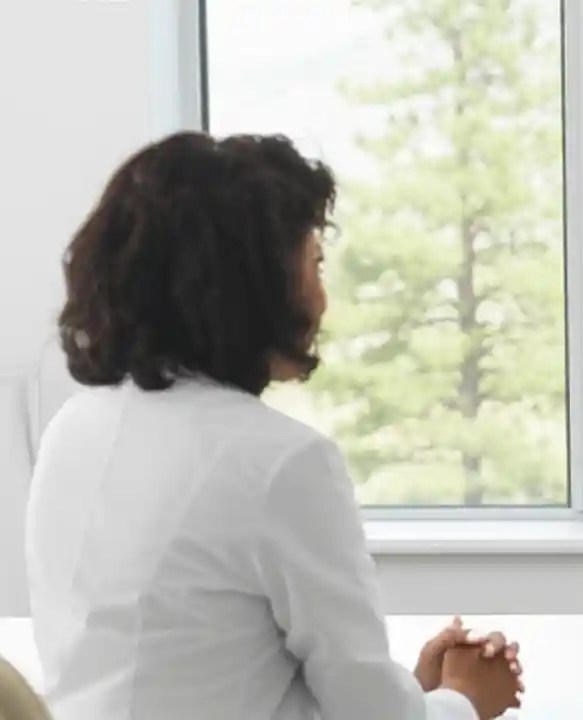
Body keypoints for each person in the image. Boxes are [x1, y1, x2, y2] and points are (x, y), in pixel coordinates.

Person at [25, 132, 522, 719]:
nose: (322, 298)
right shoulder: (281, 462)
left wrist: (410, 691)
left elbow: (191, 667)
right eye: (313, 264)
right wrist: (465, 699)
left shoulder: (73, 428)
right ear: (253, 284)